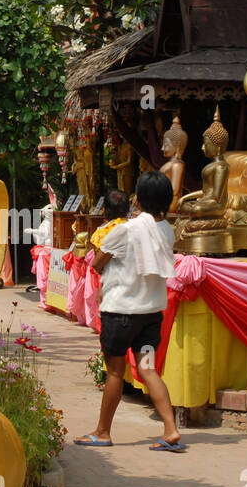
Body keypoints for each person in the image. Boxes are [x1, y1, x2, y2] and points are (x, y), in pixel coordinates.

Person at [75, 171, 185, 451]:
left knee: (114, 372)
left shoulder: (125, 229)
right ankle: (171, 430)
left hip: (121, 313)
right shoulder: (167, 230)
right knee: (148, 370)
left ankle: (102, 432)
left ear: (139, 198)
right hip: (150, 315)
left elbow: (98, 262)